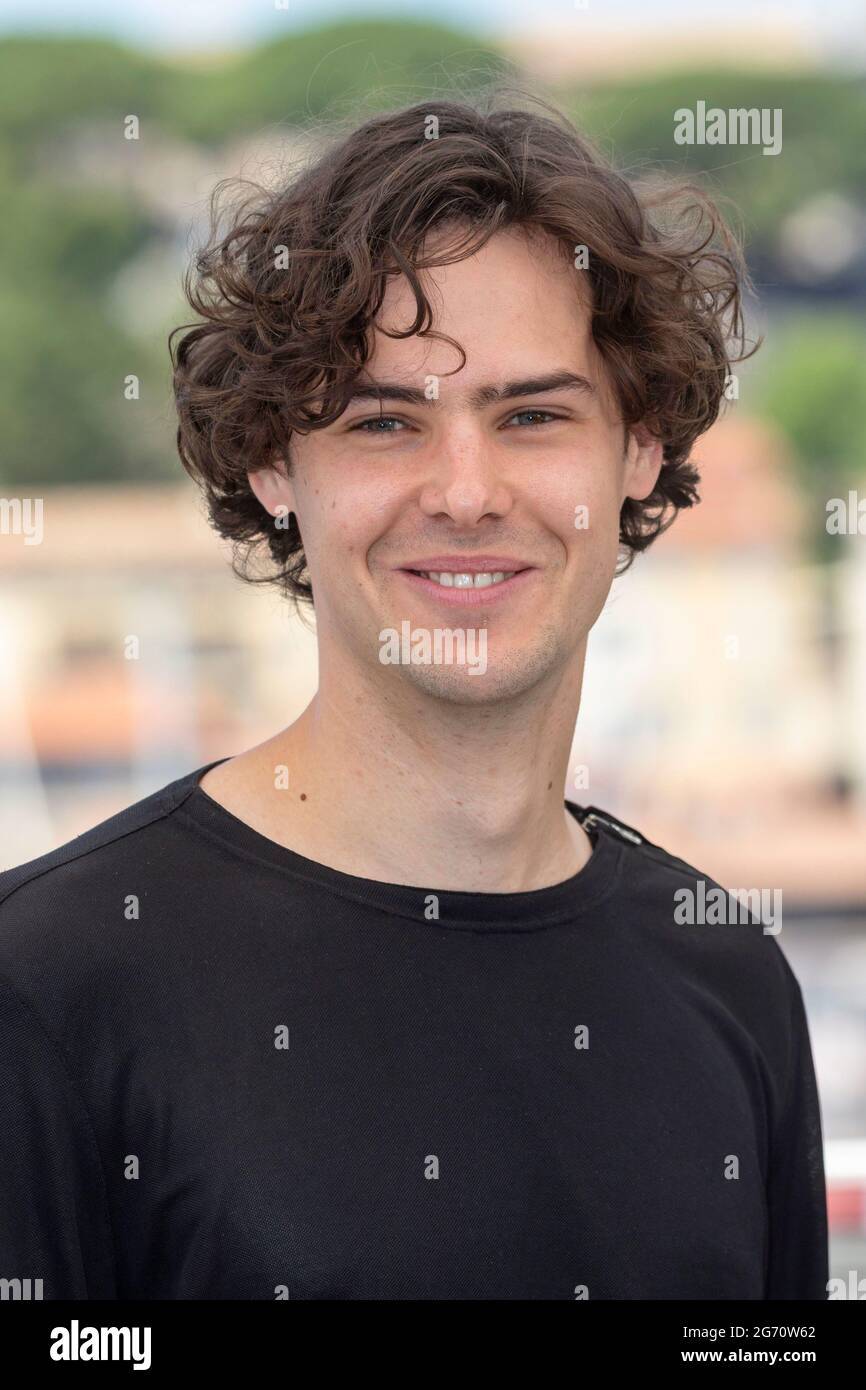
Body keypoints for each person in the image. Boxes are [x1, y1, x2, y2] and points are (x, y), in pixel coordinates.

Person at [0, 93, 828, 1300]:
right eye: (384, 422)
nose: (465, 490)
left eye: (532, 415)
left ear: (636, 449)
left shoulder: (728, 979)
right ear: (275, 464)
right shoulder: (48, 984)